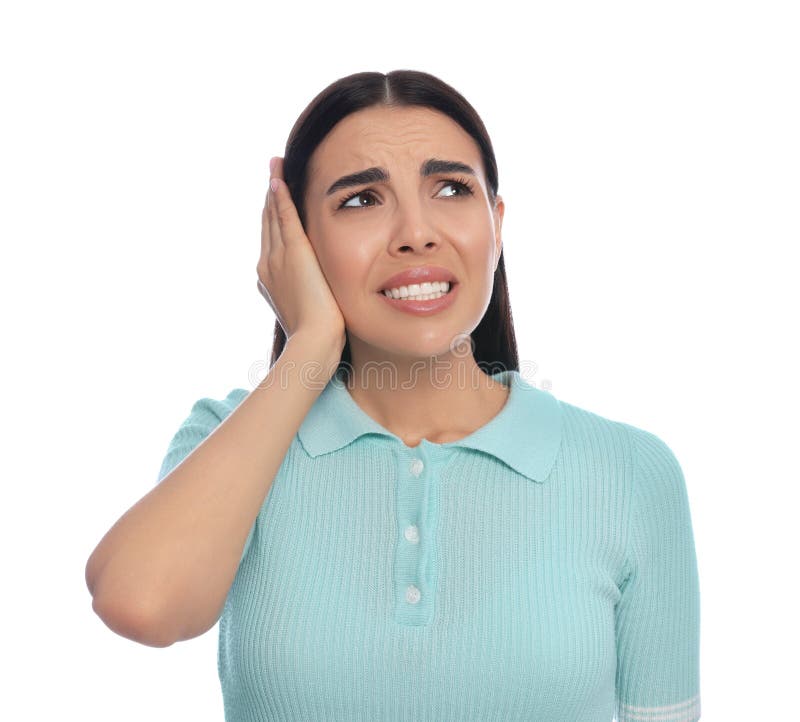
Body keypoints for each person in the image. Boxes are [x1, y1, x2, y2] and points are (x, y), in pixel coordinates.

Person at [85, 70, 701, 722]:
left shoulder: (630, 473)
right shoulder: (228, 437)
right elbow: (140, 604)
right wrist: (309, 347)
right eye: (360, 201)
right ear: (296, 241)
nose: (417, 232)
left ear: (496, 225)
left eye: (451, 189)